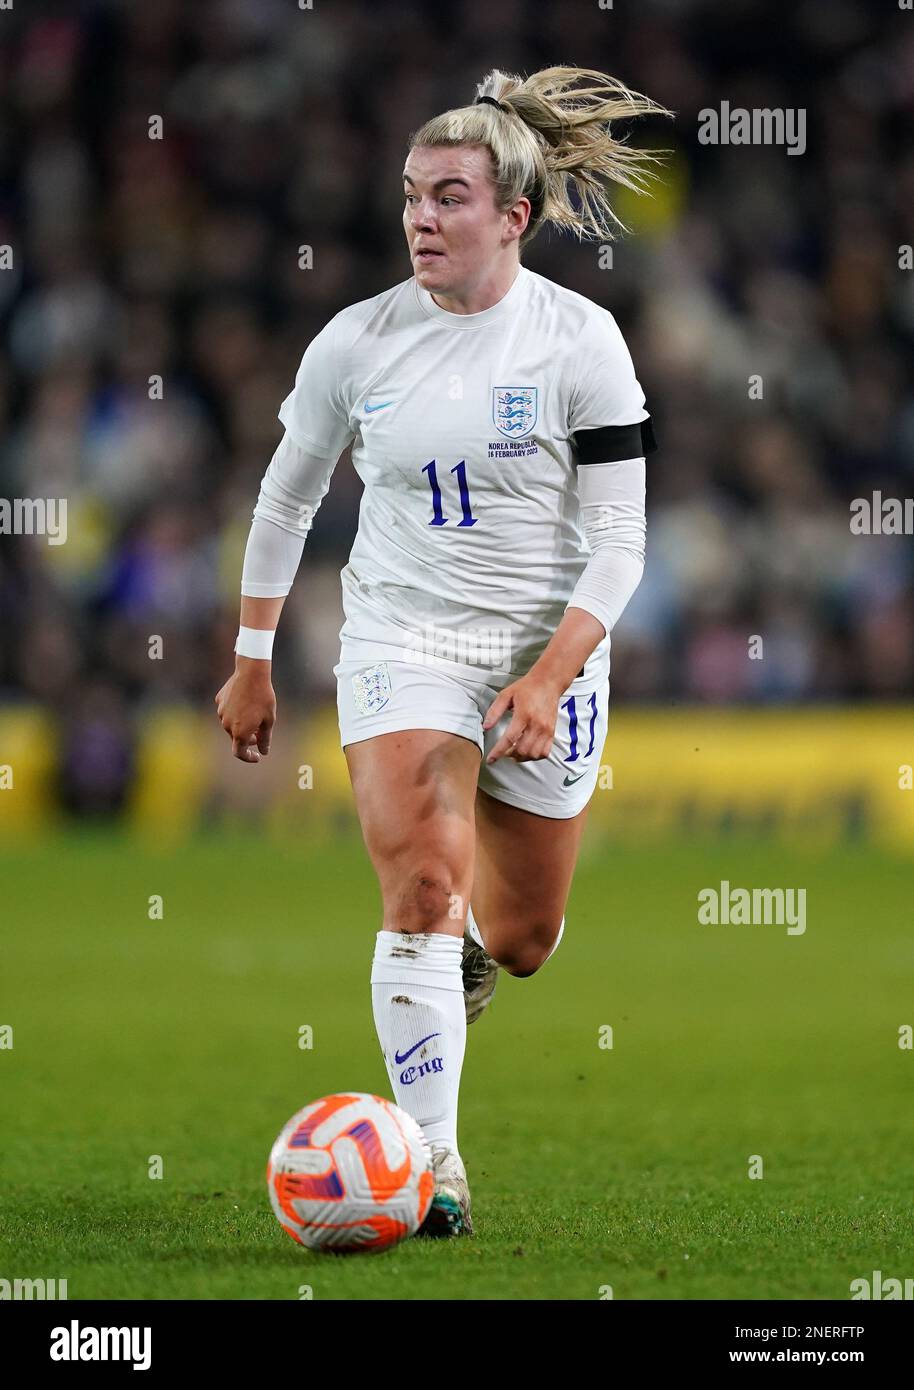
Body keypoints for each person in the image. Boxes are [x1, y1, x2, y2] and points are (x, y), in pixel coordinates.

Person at [215, 65, 671, 1237]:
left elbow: (620, 546)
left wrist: (552, 671)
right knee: (420, 877)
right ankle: (433, 1164)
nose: (421, 217)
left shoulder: (581, 342)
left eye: (450, 196)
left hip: (545, 649)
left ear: (511, 216)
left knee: (520, 939)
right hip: (401, 635)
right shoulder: (356, 342)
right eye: (412, 195)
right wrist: (252, 653)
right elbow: (284, 498)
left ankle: (467, 953)